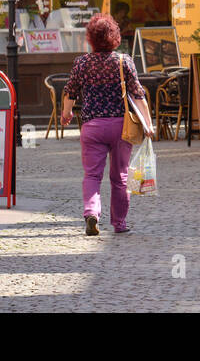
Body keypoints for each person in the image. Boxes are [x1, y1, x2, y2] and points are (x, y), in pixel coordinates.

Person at [60, 13, 154, 235]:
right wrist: (148, 124)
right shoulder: (123, 61)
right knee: (120, 177)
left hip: (92, 127)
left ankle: (91, 213)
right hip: (121, 127)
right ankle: (119, 223)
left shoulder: (81, 63)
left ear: (91, 38)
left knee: (92, 175)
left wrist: (66, 114)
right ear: (115, 36)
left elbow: (70, 92)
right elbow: (138, 95)